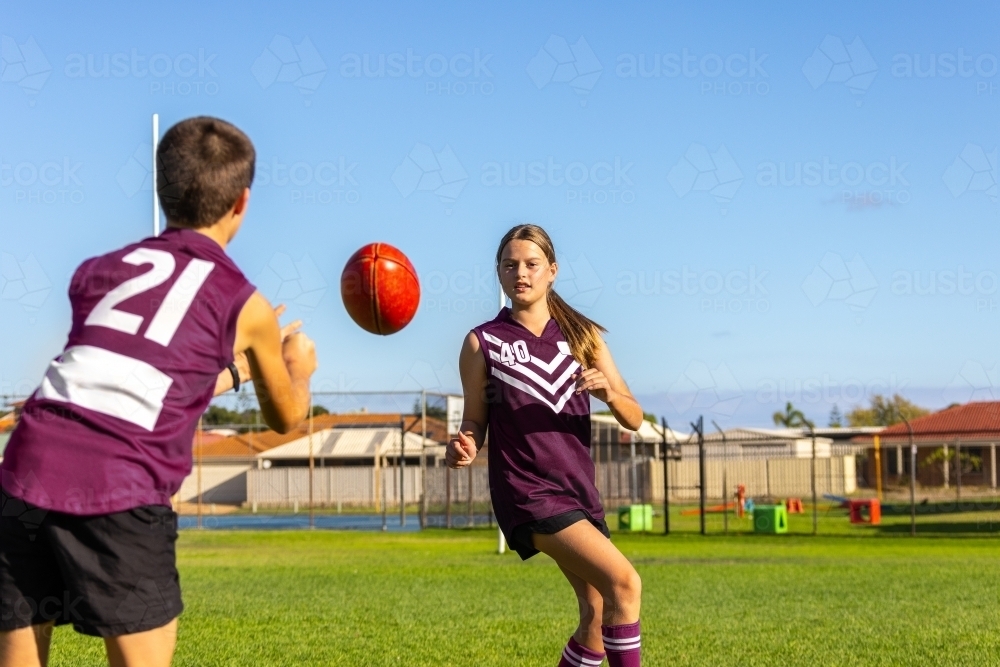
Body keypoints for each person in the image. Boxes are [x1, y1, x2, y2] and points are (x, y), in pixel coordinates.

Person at [0, 116, 317, 667]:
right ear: (241, 202)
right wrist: (298, 366)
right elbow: (287, 417)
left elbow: (143, 377)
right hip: (119, 486)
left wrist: (235, 369)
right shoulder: (246, 303)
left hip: (25, 471)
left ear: (161, 187)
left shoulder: (96, 272)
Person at [447, 224, 645, 667]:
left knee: (596, 616)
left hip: (578, 491)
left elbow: (634, 415)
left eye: (532, 264)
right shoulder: (483, 343)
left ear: (552, 271)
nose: (521, 272)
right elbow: (474, 421)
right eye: (510, 265)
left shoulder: (583, 337)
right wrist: (465, 446)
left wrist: (610, 395)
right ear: (498, 273)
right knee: (626, 584)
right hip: (528, 491)